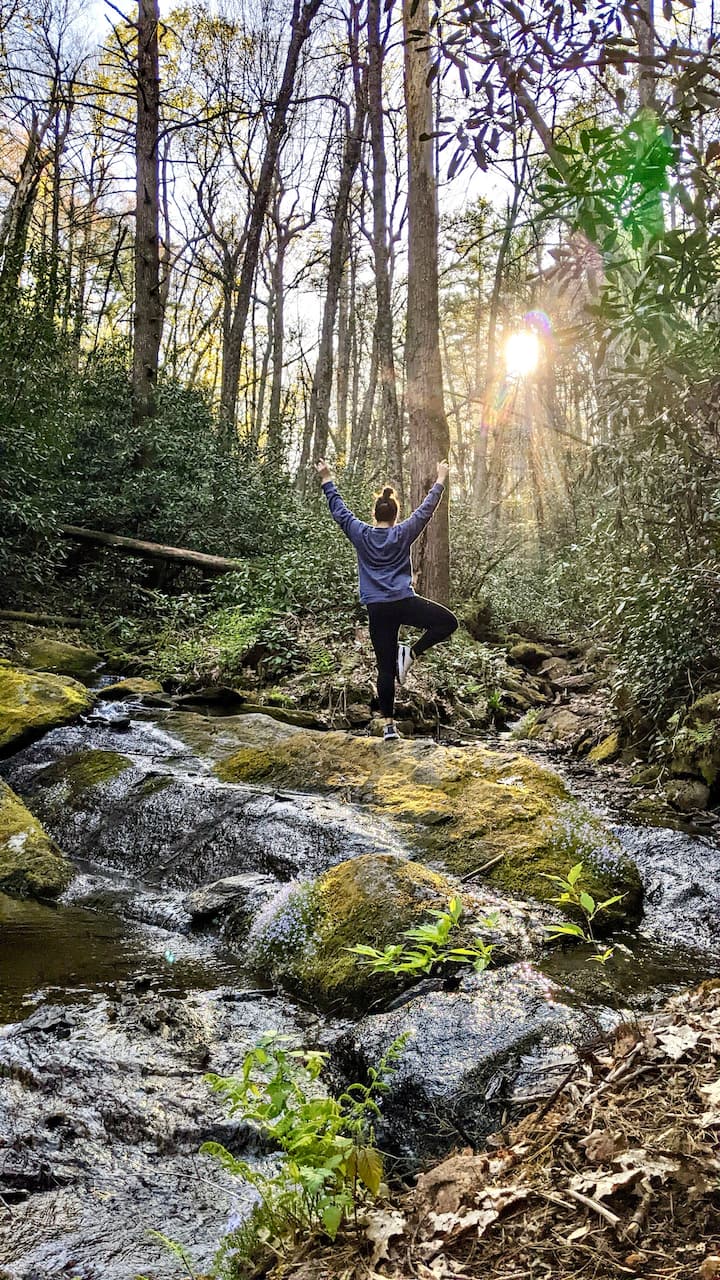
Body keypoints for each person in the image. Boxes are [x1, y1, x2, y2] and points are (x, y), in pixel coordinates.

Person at [315, 458, 458, 742]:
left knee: (384, 668)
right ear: (395, 515)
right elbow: (426, 510)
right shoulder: (402, 533)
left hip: (377, 609)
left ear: (375, 513)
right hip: (403, 602)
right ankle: (412, 653)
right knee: (447, 623)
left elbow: (339, 511)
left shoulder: (361, 533)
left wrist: (326, 478)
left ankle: (389, 728)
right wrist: (441, 478)